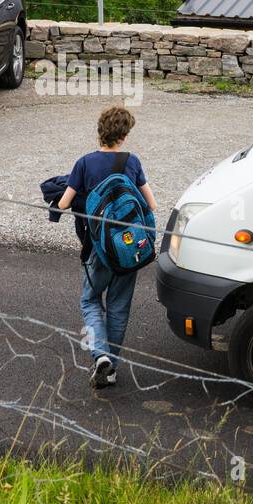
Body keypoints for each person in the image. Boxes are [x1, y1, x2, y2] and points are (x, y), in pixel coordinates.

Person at [57, 105, 158, 389]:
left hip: (97, 250)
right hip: (128, 250)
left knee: (90, 301)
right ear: (124, 135)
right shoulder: (132, 162)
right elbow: (151, 204)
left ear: (100, 131)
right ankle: (111, 368)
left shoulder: (85, 163)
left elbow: (64, 203)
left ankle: (99, 354)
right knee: (118, 307)